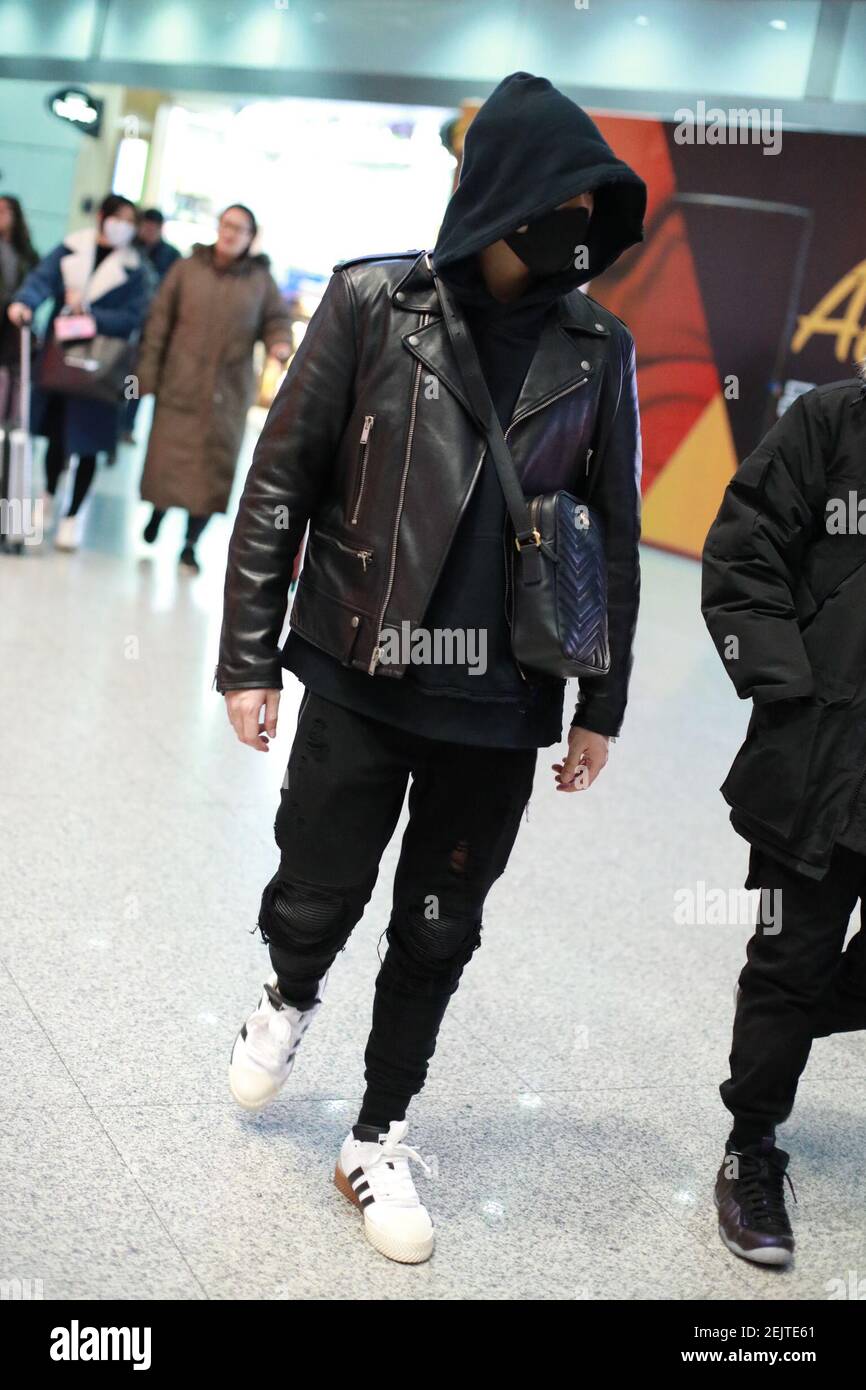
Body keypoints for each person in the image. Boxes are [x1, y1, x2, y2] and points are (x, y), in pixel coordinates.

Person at [216, 72, 645, 1264]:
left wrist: (597, 702)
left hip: (501, 702)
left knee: (440, 928)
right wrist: (247, 655)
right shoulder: (372, 300)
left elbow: (610, 535)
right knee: (317, 887)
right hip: (362, 663)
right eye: (566, 205)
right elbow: (279, 483)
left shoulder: (597, 348)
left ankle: (377, 1131)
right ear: (508, 199)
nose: (582, 233)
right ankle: (286, 994)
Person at [702, 365, 866, 1268]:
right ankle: (751, 1147)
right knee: (788, 959)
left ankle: (779, 1033)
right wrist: (788, 690)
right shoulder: (832, 423)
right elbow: (741, 549)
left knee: (795, 994)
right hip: (820, 757)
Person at [136, 203, 291, 573]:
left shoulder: (260, 281)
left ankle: (191, 544)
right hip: (180, 384)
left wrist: (279, 344)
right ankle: (158, 514)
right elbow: (159, 322)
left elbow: (276, 320)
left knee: (212, 472)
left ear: (251, 237)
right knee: (167, 463)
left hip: (226, 394)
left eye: (240, 228)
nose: (231, 232)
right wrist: (145, 375)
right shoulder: (187, 269)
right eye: (227, 224)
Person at [7, 193, 148, 551]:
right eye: (118, 218)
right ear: (102, 216)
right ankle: (48, 497)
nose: (123, 227)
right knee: (56, 435)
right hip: (62, 361)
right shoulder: (72, 248)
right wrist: (25, 302)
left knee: (89, 442)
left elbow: (135, 316)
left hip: (103, 368)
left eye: (130, 222)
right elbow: (41, 280)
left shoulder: (137, 270)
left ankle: (72, 516)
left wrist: (90, 315)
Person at [120, 208, 181, 442]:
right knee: (117, 375)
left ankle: (126, 424)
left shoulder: (170, 256)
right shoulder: (128, 248)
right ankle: (116, 423)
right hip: (126, 325)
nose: (148, 232)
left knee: (136, 379)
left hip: (149, 329)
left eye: (152, 228)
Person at [0, 195, 39, 464]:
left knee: (14, 401)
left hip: (14, 336)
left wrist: (21, 305)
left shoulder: (25, 252)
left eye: (5, 211)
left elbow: (36, 283)